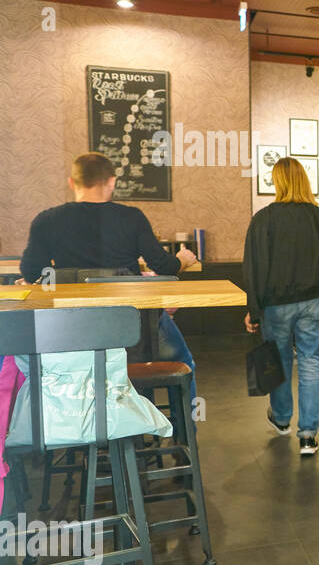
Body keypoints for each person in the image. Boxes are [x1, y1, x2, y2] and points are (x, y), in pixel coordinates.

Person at [19, 152, 201, 399]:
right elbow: (164, 265)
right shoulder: (132, 218)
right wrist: (183, 260)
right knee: (185, 361)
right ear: (112, 182)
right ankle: (178, 432)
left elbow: (31, 272)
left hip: (74, 333)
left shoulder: (48, 220)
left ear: (72, 182)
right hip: (134, 333)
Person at [243, 157, 319, 456]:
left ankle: (281, 419)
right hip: (316, 303)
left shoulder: (263, 219)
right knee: (312, 363)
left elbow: (253, 268)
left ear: (277, 182)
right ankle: (308, 435)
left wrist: (253, 309)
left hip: (276, 306)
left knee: (279, 363)